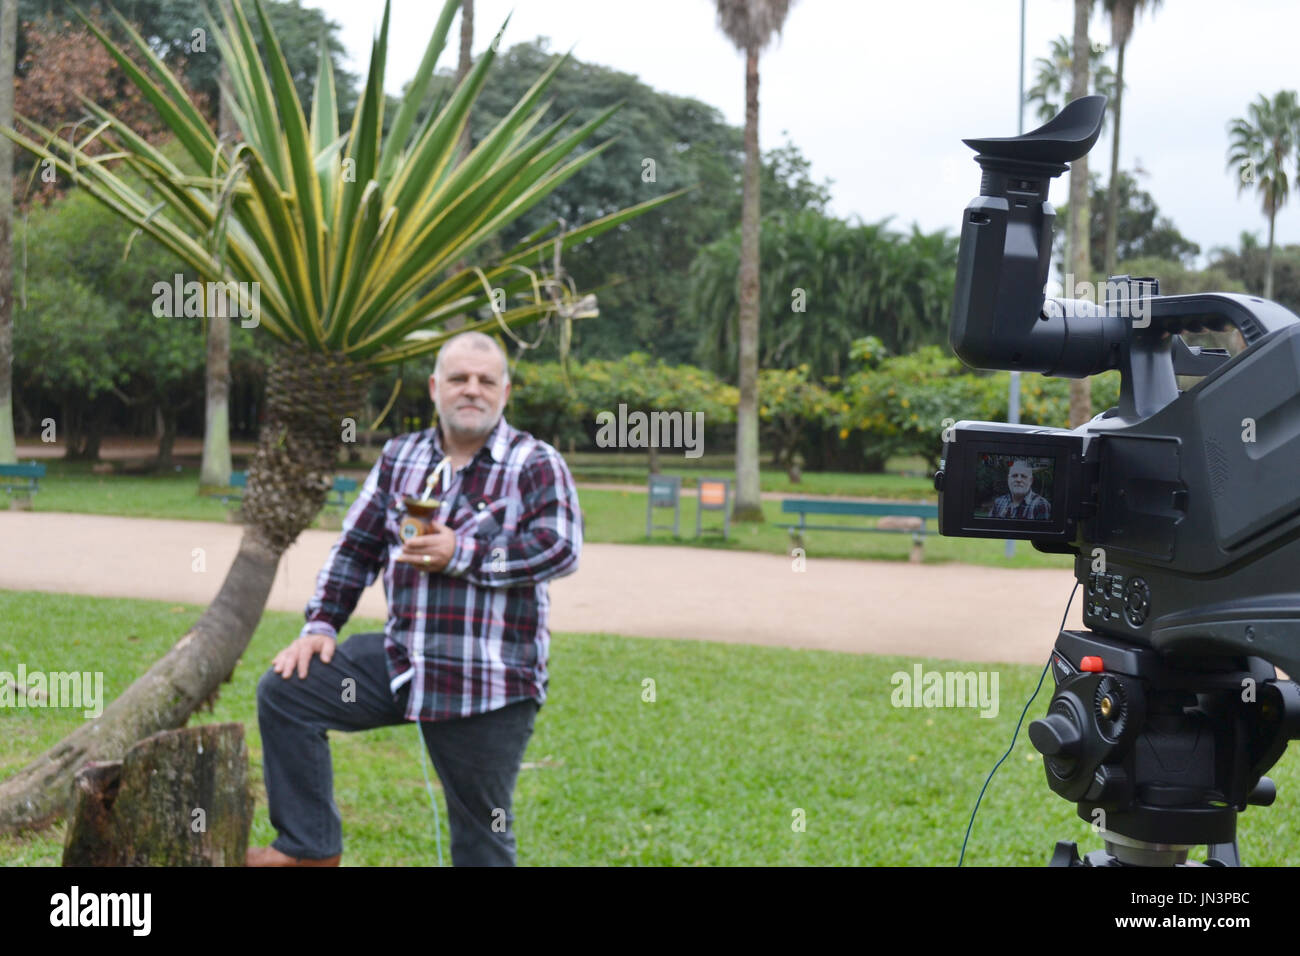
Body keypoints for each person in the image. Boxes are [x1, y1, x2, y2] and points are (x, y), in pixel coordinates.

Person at [246, 331, 582, 867]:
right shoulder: (401, 457)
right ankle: (309, 849)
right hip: (405, 662)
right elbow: (355, 548)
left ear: (505, 391)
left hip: (488, 681)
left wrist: (464, 553)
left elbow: (559, 548)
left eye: (485, 380)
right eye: (458, 378)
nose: (471, 389)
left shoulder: (534, 463)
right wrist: (320, 627)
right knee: (289, 693)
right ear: (434, 388)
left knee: (482, 841)